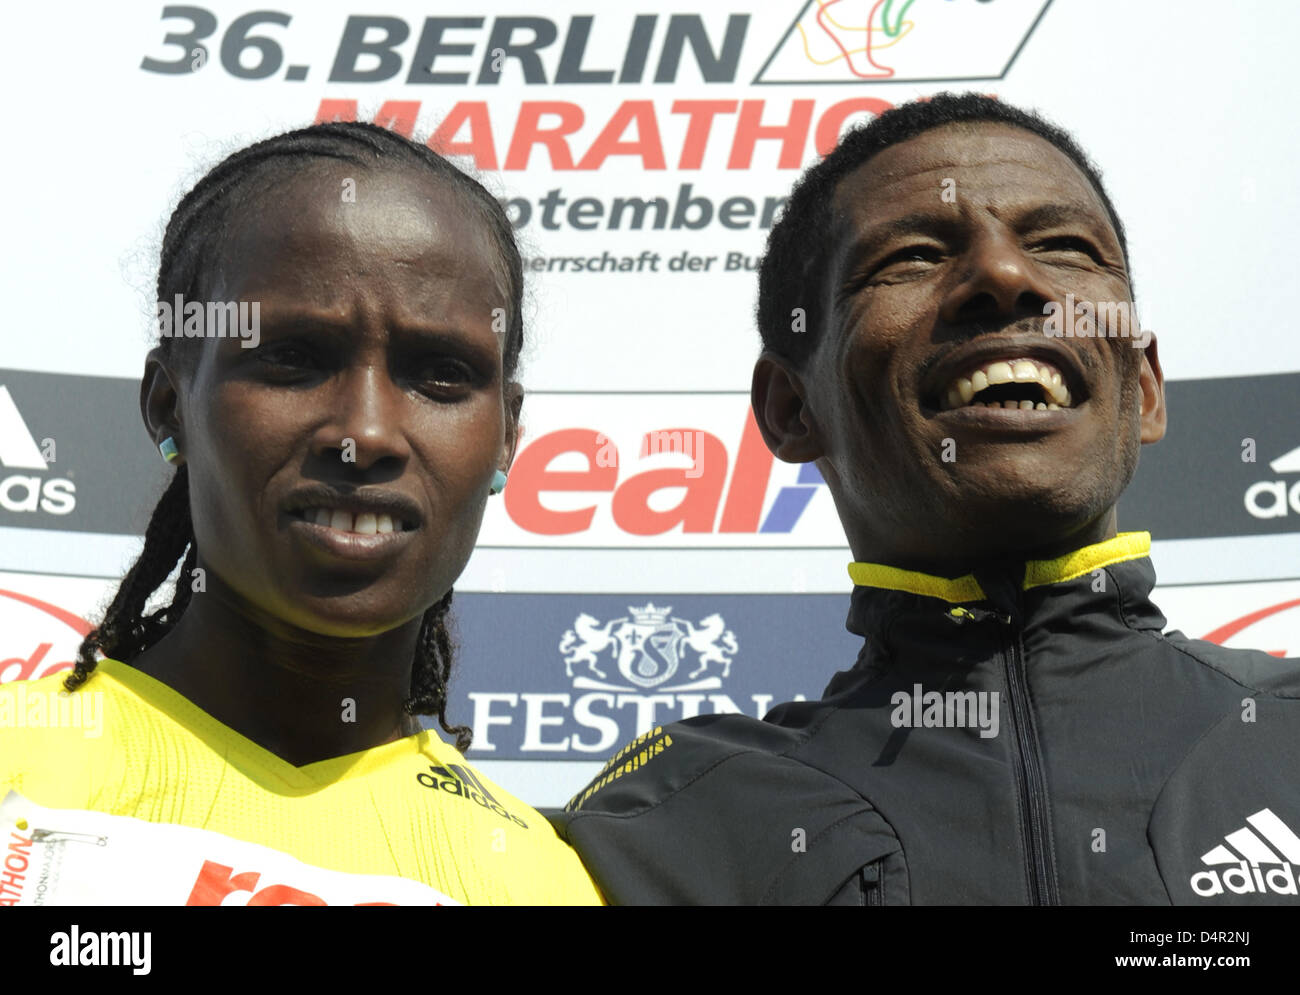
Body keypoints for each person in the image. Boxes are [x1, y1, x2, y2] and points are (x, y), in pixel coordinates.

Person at [550, 93, 1300, 905]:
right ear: (792, 409)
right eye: (909, 256)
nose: (1006, 276)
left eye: (1064, 246)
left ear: (1145, 387)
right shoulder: (670, 822)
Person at [0, 122, 601, 906]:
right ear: (167, 404)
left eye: (441, 374)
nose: (366, 433)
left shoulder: (540, 882)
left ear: (506, 437)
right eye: (292, 357)